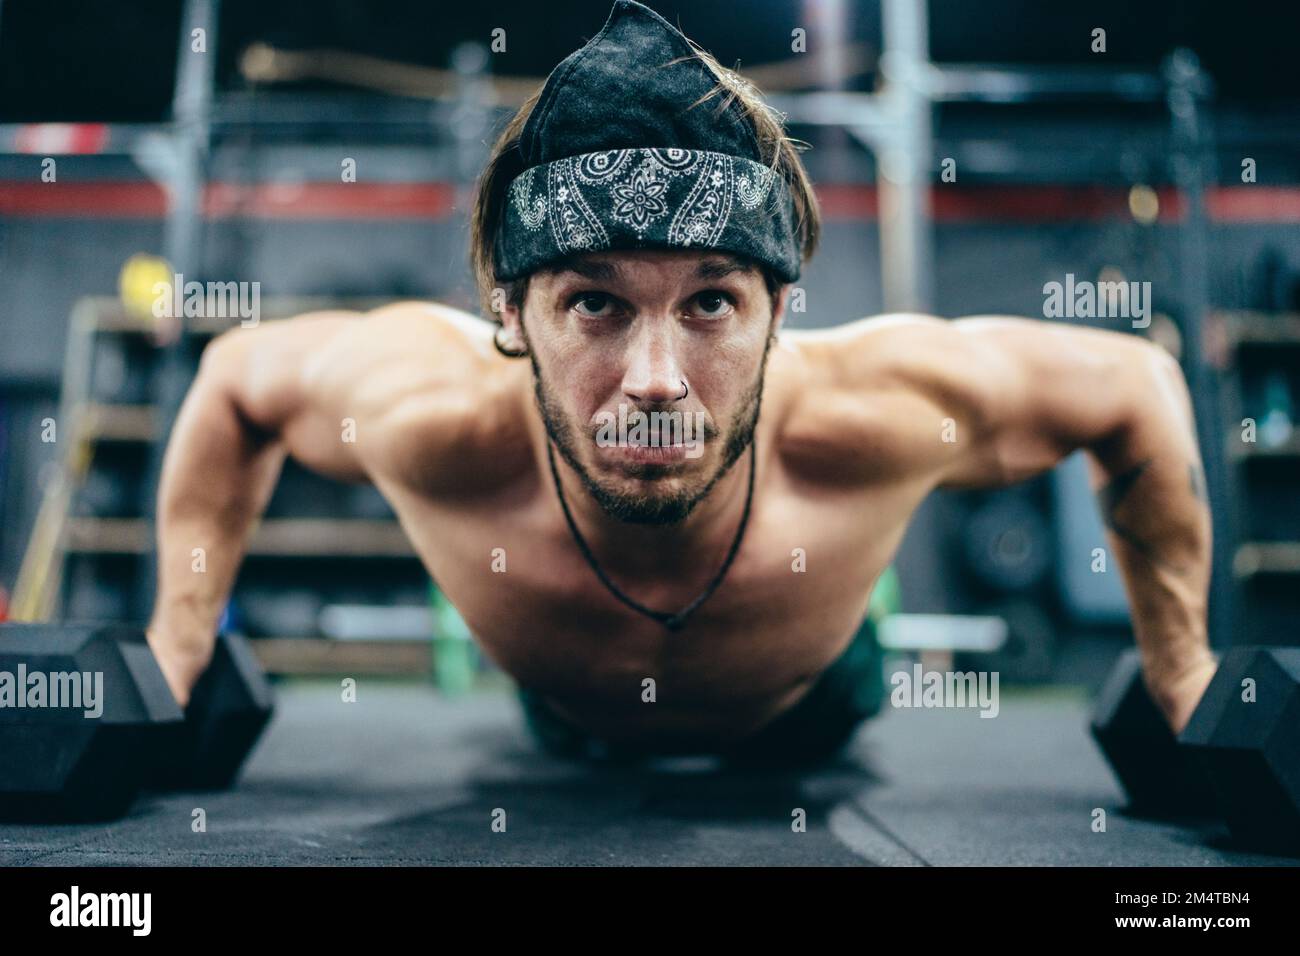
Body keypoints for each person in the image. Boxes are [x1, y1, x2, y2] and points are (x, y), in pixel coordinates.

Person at [146, 0, 1215, 765]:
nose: (655, 382)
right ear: (508, 311)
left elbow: (1134, 385)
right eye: (593, 304)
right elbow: (238, 378)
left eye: (709, 303)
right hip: (567, 718)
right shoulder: (427, 413)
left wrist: (1181, 674)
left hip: (812, 705)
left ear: (781, 310)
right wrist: (175, 649)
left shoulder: (879, 408)